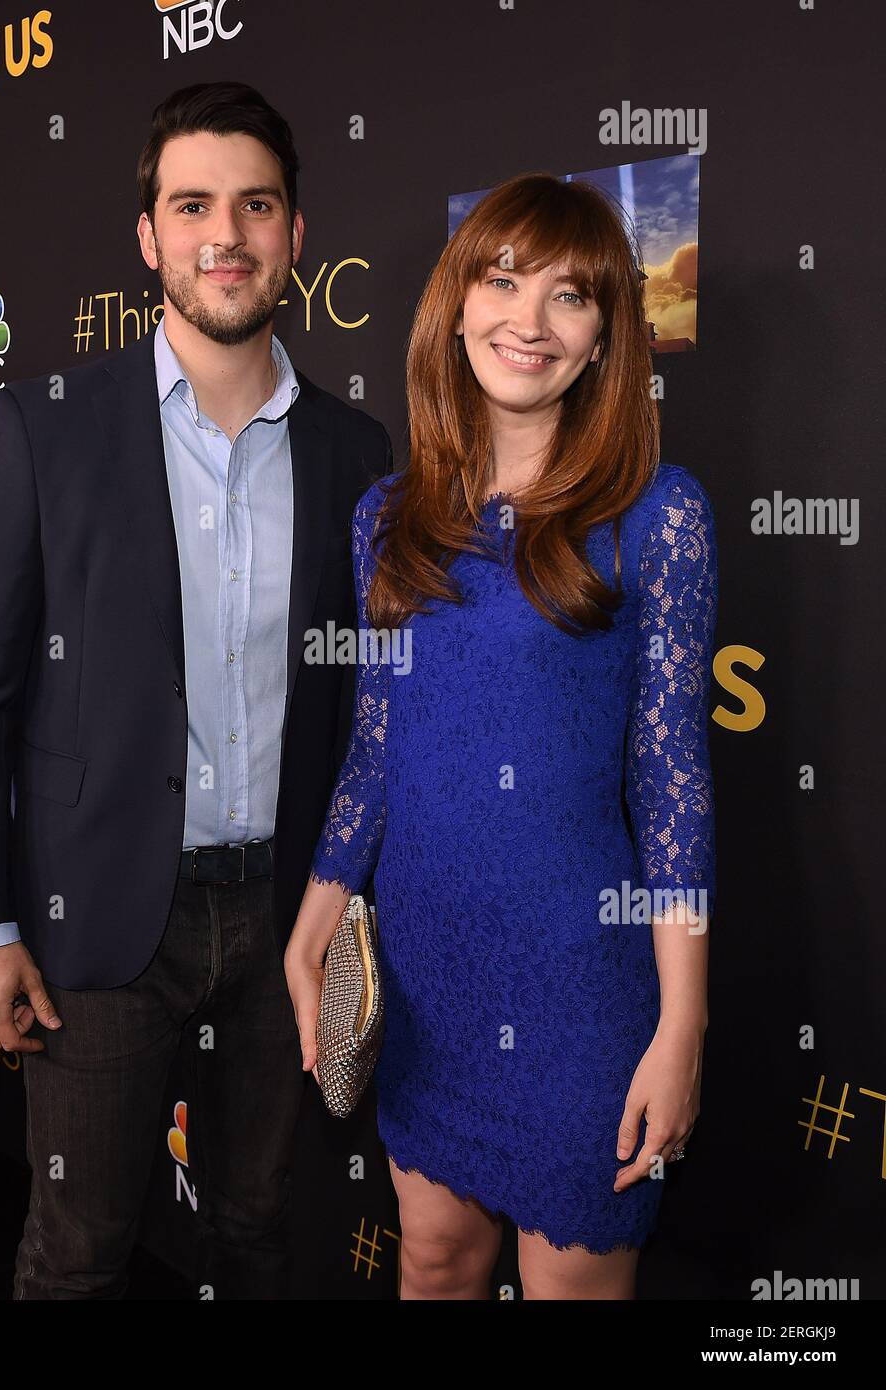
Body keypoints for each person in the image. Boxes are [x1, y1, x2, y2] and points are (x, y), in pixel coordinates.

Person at [0, 81, 392, 1299]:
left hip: (291, 911)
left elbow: (370, 709)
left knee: (252, 1234)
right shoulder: (48, 430)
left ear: (295, 232)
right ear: (149, 238)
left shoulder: (358, 454)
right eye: (193, 205)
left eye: (256, 204)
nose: (224, 235)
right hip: (102, 916)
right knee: (78, 1254)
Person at [285, 172, 718, 1300]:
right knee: (429, 1263)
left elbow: (672, 785)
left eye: (570, 297)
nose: (529, 320)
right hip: (427, 975)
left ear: (603, 340)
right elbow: (379, 746)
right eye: (504, 277)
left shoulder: (658, 515)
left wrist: (683, 1023)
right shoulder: (386, 516)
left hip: (581, 992)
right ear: (456, 301)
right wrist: (318, 912)